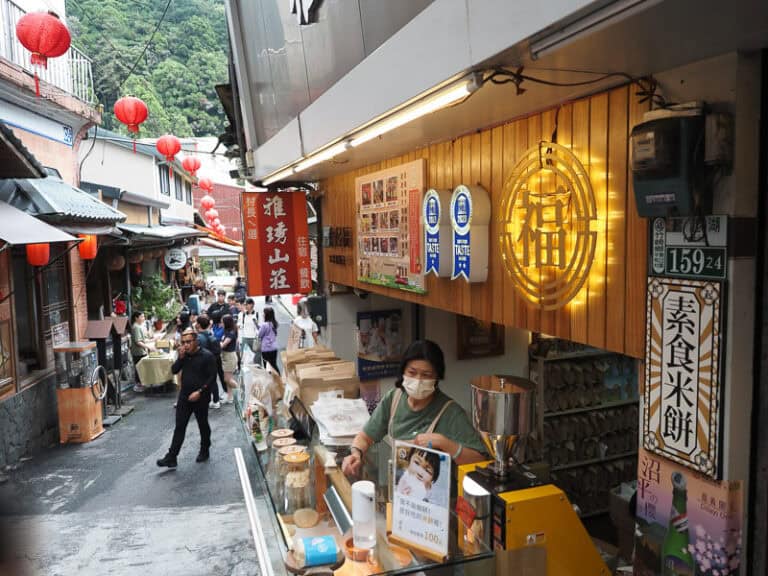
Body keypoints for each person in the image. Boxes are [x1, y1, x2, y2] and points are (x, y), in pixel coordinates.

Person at [342, 340, 487, 477]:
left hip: (436, 498)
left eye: (426, 375)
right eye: (412, 372)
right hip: (400, 490)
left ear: (437, 377)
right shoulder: (394, 399)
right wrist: (356, 454)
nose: (418, 380)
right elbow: (365, 436)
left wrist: (446, 444)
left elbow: (481, 461)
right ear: (403, 371)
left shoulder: (451, 413)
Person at [157, 328, 216, 468]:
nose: (186, 345)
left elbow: (212, 377)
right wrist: (180, 357)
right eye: (183, 342)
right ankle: (172, 456)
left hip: (201, 396)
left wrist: (200, 391)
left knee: (202, 424)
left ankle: (205, 448)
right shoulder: (184, 356)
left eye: (188, 342)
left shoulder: (207, 356)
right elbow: (174, 370)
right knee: (180, 426)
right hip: (184, 396)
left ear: (196, 341)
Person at [195, 316, 223, 409]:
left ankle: (209, 401)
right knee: (213, 381)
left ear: (198, 324)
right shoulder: (210, 333)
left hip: (204, 361)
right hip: (213, 360)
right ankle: (215, 400)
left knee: (204, 381)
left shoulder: (199, 337)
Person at [130, 311, 152, 392]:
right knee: (139, 368)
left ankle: (141, 384)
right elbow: (138, 341)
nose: (143, 318)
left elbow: (142, 339)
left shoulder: (139, 326)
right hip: (138, 352)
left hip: (140, 351)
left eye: (143, 317)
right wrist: (149, 347)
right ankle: (138, 385)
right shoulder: (136, 327)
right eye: (142, 317)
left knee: (140, 368)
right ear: (136, 318)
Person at [220, 314, 238, 403]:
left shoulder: (231, 333)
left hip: (230, 357)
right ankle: (230, 397)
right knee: (227, 378)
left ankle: (241, 390)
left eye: (222, 322)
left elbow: (223, 345)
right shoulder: (226, 331)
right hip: (226, 356)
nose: (221, 323)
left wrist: (217, 343)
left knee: (227, 379)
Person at [238, 298, 261, 365]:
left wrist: (256, 323)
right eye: (245, 305)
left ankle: (258, 373)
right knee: (244, 358)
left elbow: (260, 327)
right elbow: (240, 325)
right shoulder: (242, 314)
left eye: (247, 304)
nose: (245, 306)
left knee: (256, 359)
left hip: (255, 339)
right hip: (245, 338)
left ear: (252, 305)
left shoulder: (257, 314)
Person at [259, 306, 279, 373]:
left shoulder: (264, 325)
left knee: (267, 366)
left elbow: (259, 335)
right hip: (274, 348)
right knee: (273, 364)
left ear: (266, 314)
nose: (263, 314)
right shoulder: (274, 323)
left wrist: (258, 330)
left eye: (264, 313)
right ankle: (278, 379)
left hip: (266, 348)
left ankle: (270, 380)